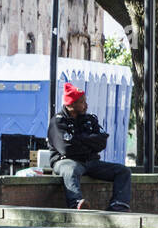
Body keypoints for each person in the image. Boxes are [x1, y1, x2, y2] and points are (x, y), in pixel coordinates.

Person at [48, 82, 131, 211]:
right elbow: (66, 148)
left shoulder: (90, 119)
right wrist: (89, 143)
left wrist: (79, 140)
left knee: (123, 171)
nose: (86, 105)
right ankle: (76, 203)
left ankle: (118, 204)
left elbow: (102, 142)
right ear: (71, 104)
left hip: (90, 161)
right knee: (70, 169)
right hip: (65, 160)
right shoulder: (58, 122)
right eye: (82, 102)